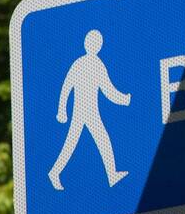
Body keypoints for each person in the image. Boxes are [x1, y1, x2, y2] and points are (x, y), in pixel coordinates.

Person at [48, 29, 131, 190]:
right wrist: (61, 110)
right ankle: (54, 172)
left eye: (96, 43)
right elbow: (67, 86)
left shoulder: (95, 64)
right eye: (92, 42)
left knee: (96, 140)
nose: (94, 45)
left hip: (89, 111)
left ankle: (111, 174)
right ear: (87, 44)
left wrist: (123, 99)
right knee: (75, 142)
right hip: (83, 111)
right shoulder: (81, 64)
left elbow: (108, 89)